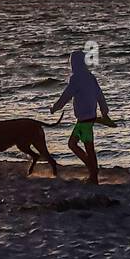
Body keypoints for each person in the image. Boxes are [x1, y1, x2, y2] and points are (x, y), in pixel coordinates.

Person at [51, 50, 113, 185]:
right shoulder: (90, 77)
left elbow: (66, 96)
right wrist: (104, 112)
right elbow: (100, 96)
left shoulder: (76, 78)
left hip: (84, 119)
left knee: (73, 144)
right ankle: (93, 174)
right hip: (90, 116)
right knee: (88, 147)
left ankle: (93, 171)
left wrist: (55, 108)